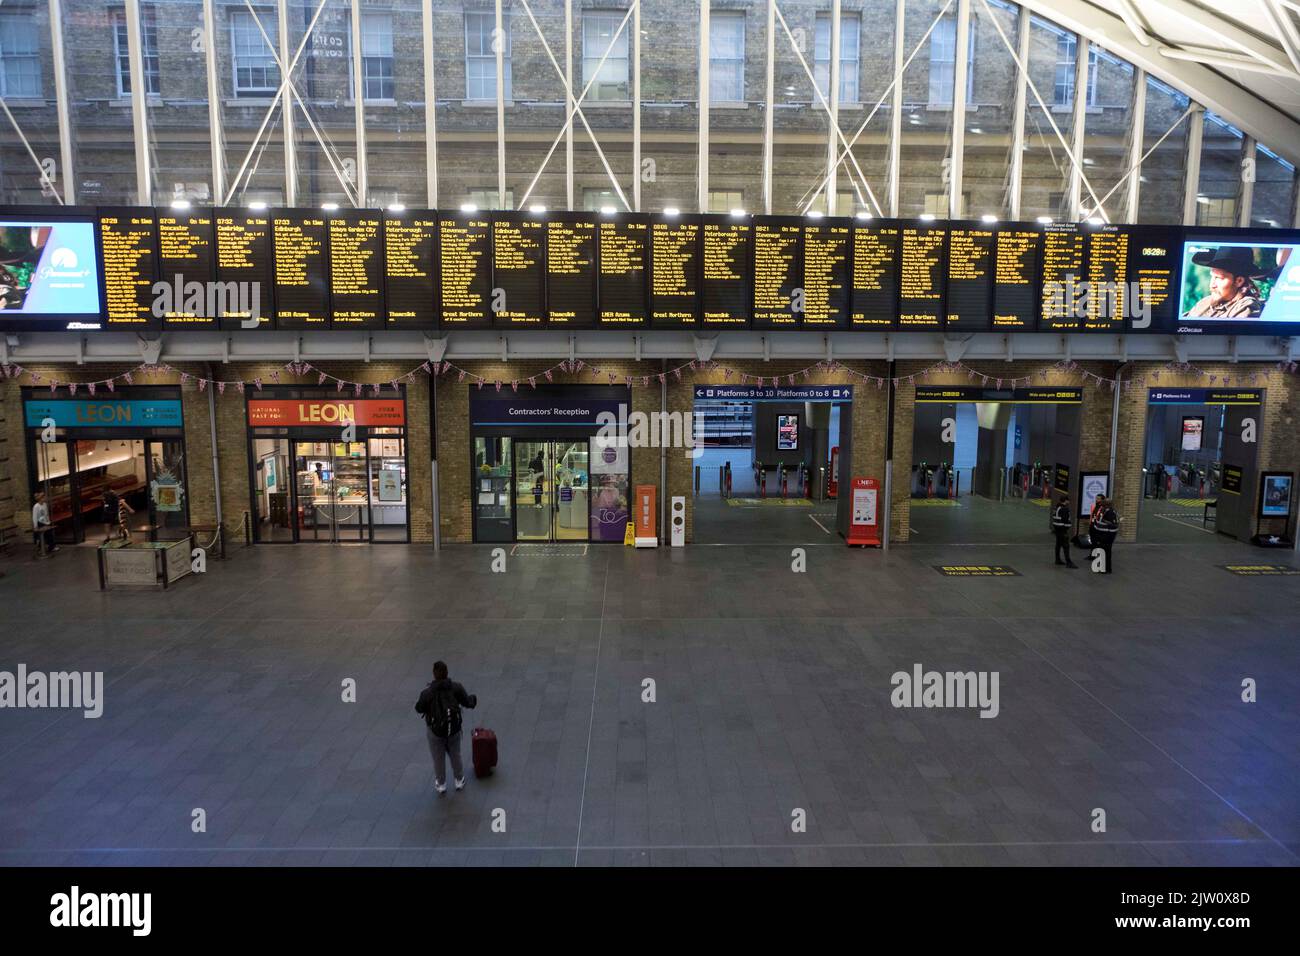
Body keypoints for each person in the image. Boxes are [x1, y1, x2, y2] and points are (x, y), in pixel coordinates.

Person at [414, 661, 478, 795]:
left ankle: (441, 784)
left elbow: (419, 708)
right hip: (453, 729)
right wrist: (473, 699)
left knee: (438, 758)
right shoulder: (456, 687)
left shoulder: (428, 693)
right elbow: (468, 702)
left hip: (435, 732)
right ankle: (459, 779)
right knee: (455, 754)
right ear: (447, 673)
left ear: (434, 675)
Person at [1183, 247, 1266, 319]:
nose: (1212, 285)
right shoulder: (1205, 302)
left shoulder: (1246, 307)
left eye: (1219, 278)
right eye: (1212, 277)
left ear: (1239, 281)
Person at [1092, 499, 1119, 574]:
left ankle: (1106, 569)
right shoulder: (1105, 510)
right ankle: (1104, 568)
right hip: (1103, 535)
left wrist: (1105, 521)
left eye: (1103, 503)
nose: (1101, 503)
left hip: (1107, 536)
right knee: (1103, 551)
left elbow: (1113, 524)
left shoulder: (1110, 512)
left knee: (1105, 552)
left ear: (1107, 504)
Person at [1051, 492, 1077, 568]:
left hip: (1057, 529)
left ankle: (1057, 559)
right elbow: (1066, 520)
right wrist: (1067, 527)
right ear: (1065, 501)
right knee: (1066, 546)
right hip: (1063, 530)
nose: (1068, 502)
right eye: (1068, 500)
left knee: (1058, 545)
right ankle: (1068, 562)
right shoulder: (1065, 509)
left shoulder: (1057, 507)